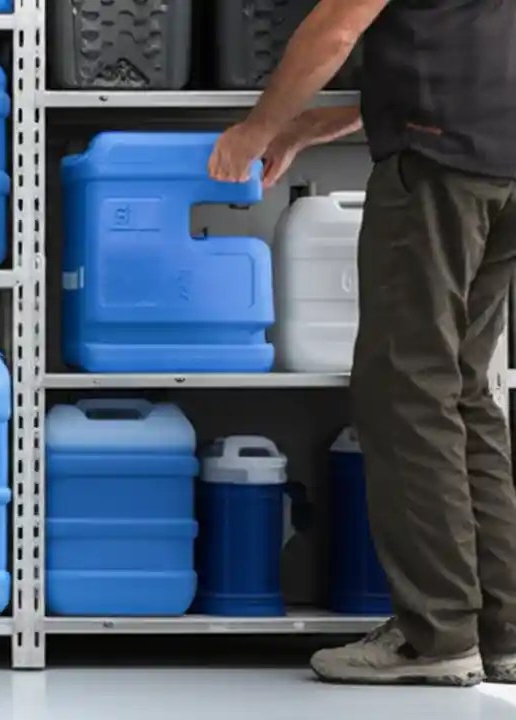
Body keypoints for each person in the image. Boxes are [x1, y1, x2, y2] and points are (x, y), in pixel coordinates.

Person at [209, 0, 516, 687]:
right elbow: (461, 39)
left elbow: (337, 28)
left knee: (407, 391)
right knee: (465, 393)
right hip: (501, 159)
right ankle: (501, 631)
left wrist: (259, 128)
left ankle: (433, 634)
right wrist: (330, 120)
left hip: (438, 166)